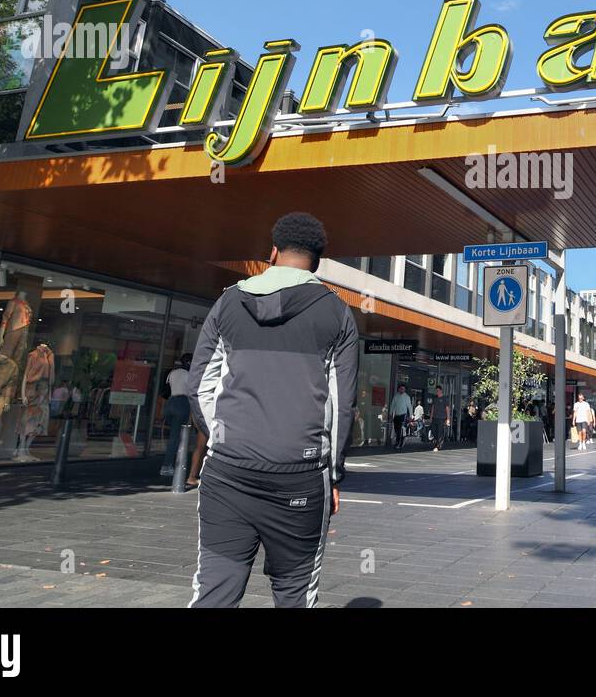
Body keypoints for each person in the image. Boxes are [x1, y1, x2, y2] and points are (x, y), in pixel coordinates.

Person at [187, 212, 358, 608]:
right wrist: (333, 474)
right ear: (317, 262)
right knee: (295, 594)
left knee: (214, 591)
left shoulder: (228, 301)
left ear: (273, 252)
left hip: (227, 474)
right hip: (300, 479)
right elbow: (342, 403)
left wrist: (226, 439)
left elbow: (199, 386)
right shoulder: (337, 313)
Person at [160, 353, 194, 476]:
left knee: (174, 437)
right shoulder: (189, 375)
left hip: (171, 403)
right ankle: (168, 465)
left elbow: (165, 391)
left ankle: (171, 464)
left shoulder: (172, 373)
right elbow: (193, 393)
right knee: (180, 437)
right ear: (189, 363)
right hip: (182, 403)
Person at [389, 382, 412, 449]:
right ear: (399, 389)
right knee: (396, 429)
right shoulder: (396, 396)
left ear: (405, 390)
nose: (402, 390)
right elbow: (392, 406)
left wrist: (410, 416)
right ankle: (398, 441)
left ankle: (399, 443)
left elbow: (409, 407)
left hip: (403, 415)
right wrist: (390, 414)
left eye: (403, 389)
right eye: (401, 389)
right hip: (396, 415)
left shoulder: (407, 397)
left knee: (401, 430)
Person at [429, 386, 449, 451]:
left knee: (440, 432)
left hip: (442, 418)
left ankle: (438, 446)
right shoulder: (435, 399)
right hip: (435, 417)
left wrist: (448, 419)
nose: (436, 392)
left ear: (441, 391)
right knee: (433, 430)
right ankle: (437, 442)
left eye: (437, 391)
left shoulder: (444, 399)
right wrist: (431, 418)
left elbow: (447, 409)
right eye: (436, 391)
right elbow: (432, 408)